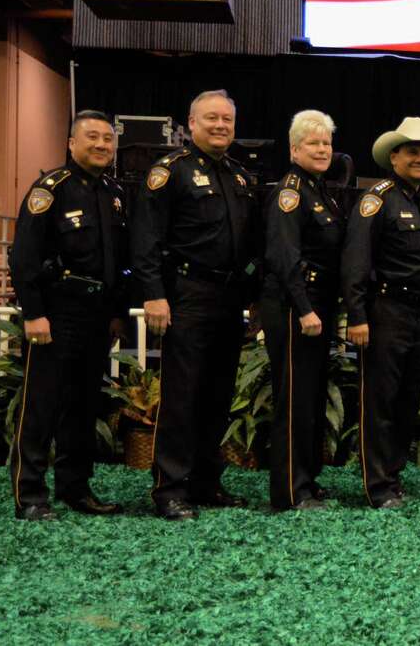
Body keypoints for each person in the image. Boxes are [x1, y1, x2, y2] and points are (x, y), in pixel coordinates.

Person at [132, 89, 261, 521]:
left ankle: (206, 481)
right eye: (211, 118)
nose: (221, 125)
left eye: (227, 119)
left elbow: (251, 246)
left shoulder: (241, 177)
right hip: (186, 294)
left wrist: (255, 299)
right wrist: (153, 293)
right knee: (182, 395)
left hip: (229, 299)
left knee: (218, 395)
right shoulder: (170, 173)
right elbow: (146, 237)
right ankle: (169, 488)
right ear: (191, 123)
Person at [7, 110, 131, 521]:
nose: (101, 145)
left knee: (82, 405)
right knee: (42, 404)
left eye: (108, 139)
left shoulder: (114, 191)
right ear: (72, 143)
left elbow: (117, 262)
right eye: (92, 137)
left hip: (97, 315)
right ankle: (30, 495)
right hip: (56, 314)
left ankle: (75, 488)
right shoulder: (50, 189)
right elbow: (23, 256)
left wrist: (116, 314)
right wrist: (34, 313)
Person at [342, 117, 420, 509]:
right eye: (413, 152)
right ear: (394, 156)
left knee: (407, 402)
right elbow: (356, 262)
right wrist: (356, 316)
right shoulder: (377, 199)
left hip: (419, 317)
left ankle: (394, 475)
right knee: (380, 402)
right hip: (385, 312)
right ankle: (377, 484)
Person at [260, 110, 344, 511]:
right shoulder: (290, 191)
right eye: (314, 143)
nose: (323, 149)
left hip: (316, 305)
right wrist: (304, 308)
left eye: (327, 142)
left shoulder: (318, 188)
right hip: (297, 306)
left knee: (309, 398)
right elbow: (284, 256)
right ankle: (290, 492)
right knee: (294, 400)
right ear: (295, 149)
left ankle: (307, 481)